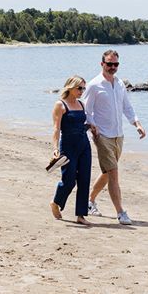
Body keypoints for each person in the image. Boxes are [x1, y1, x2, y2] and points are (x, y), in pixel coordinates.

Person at [84, 50, 146, 225]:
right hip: (102, 135)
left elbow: (127, 107)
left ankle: (90, 201)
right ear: (101, 64)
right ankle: (121, 213)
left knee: (107, 172)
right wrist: (92, 126)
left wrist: (137, 124)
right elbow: (86, 111)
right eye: (109, 64)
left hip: (118, 135)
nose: (112, 67)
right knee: (113, 173)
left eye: (115, 64)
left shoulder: (119, 84)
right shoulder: (94, 85)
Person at [49, 75, 92, 225]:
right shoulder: (60, 105)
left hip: (84, 145)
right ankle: (56, 203)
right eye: (79, 88)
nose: (82, 91)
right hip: (68, 146)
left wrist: (92, 127)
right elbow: (56, 129)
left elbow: (82, 123)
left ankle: (81, 215)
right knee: (69, 181)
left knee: (84, 179)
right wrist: (55, 149)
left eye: (83, 88)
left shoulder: (81, 104)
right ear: (70, 87)